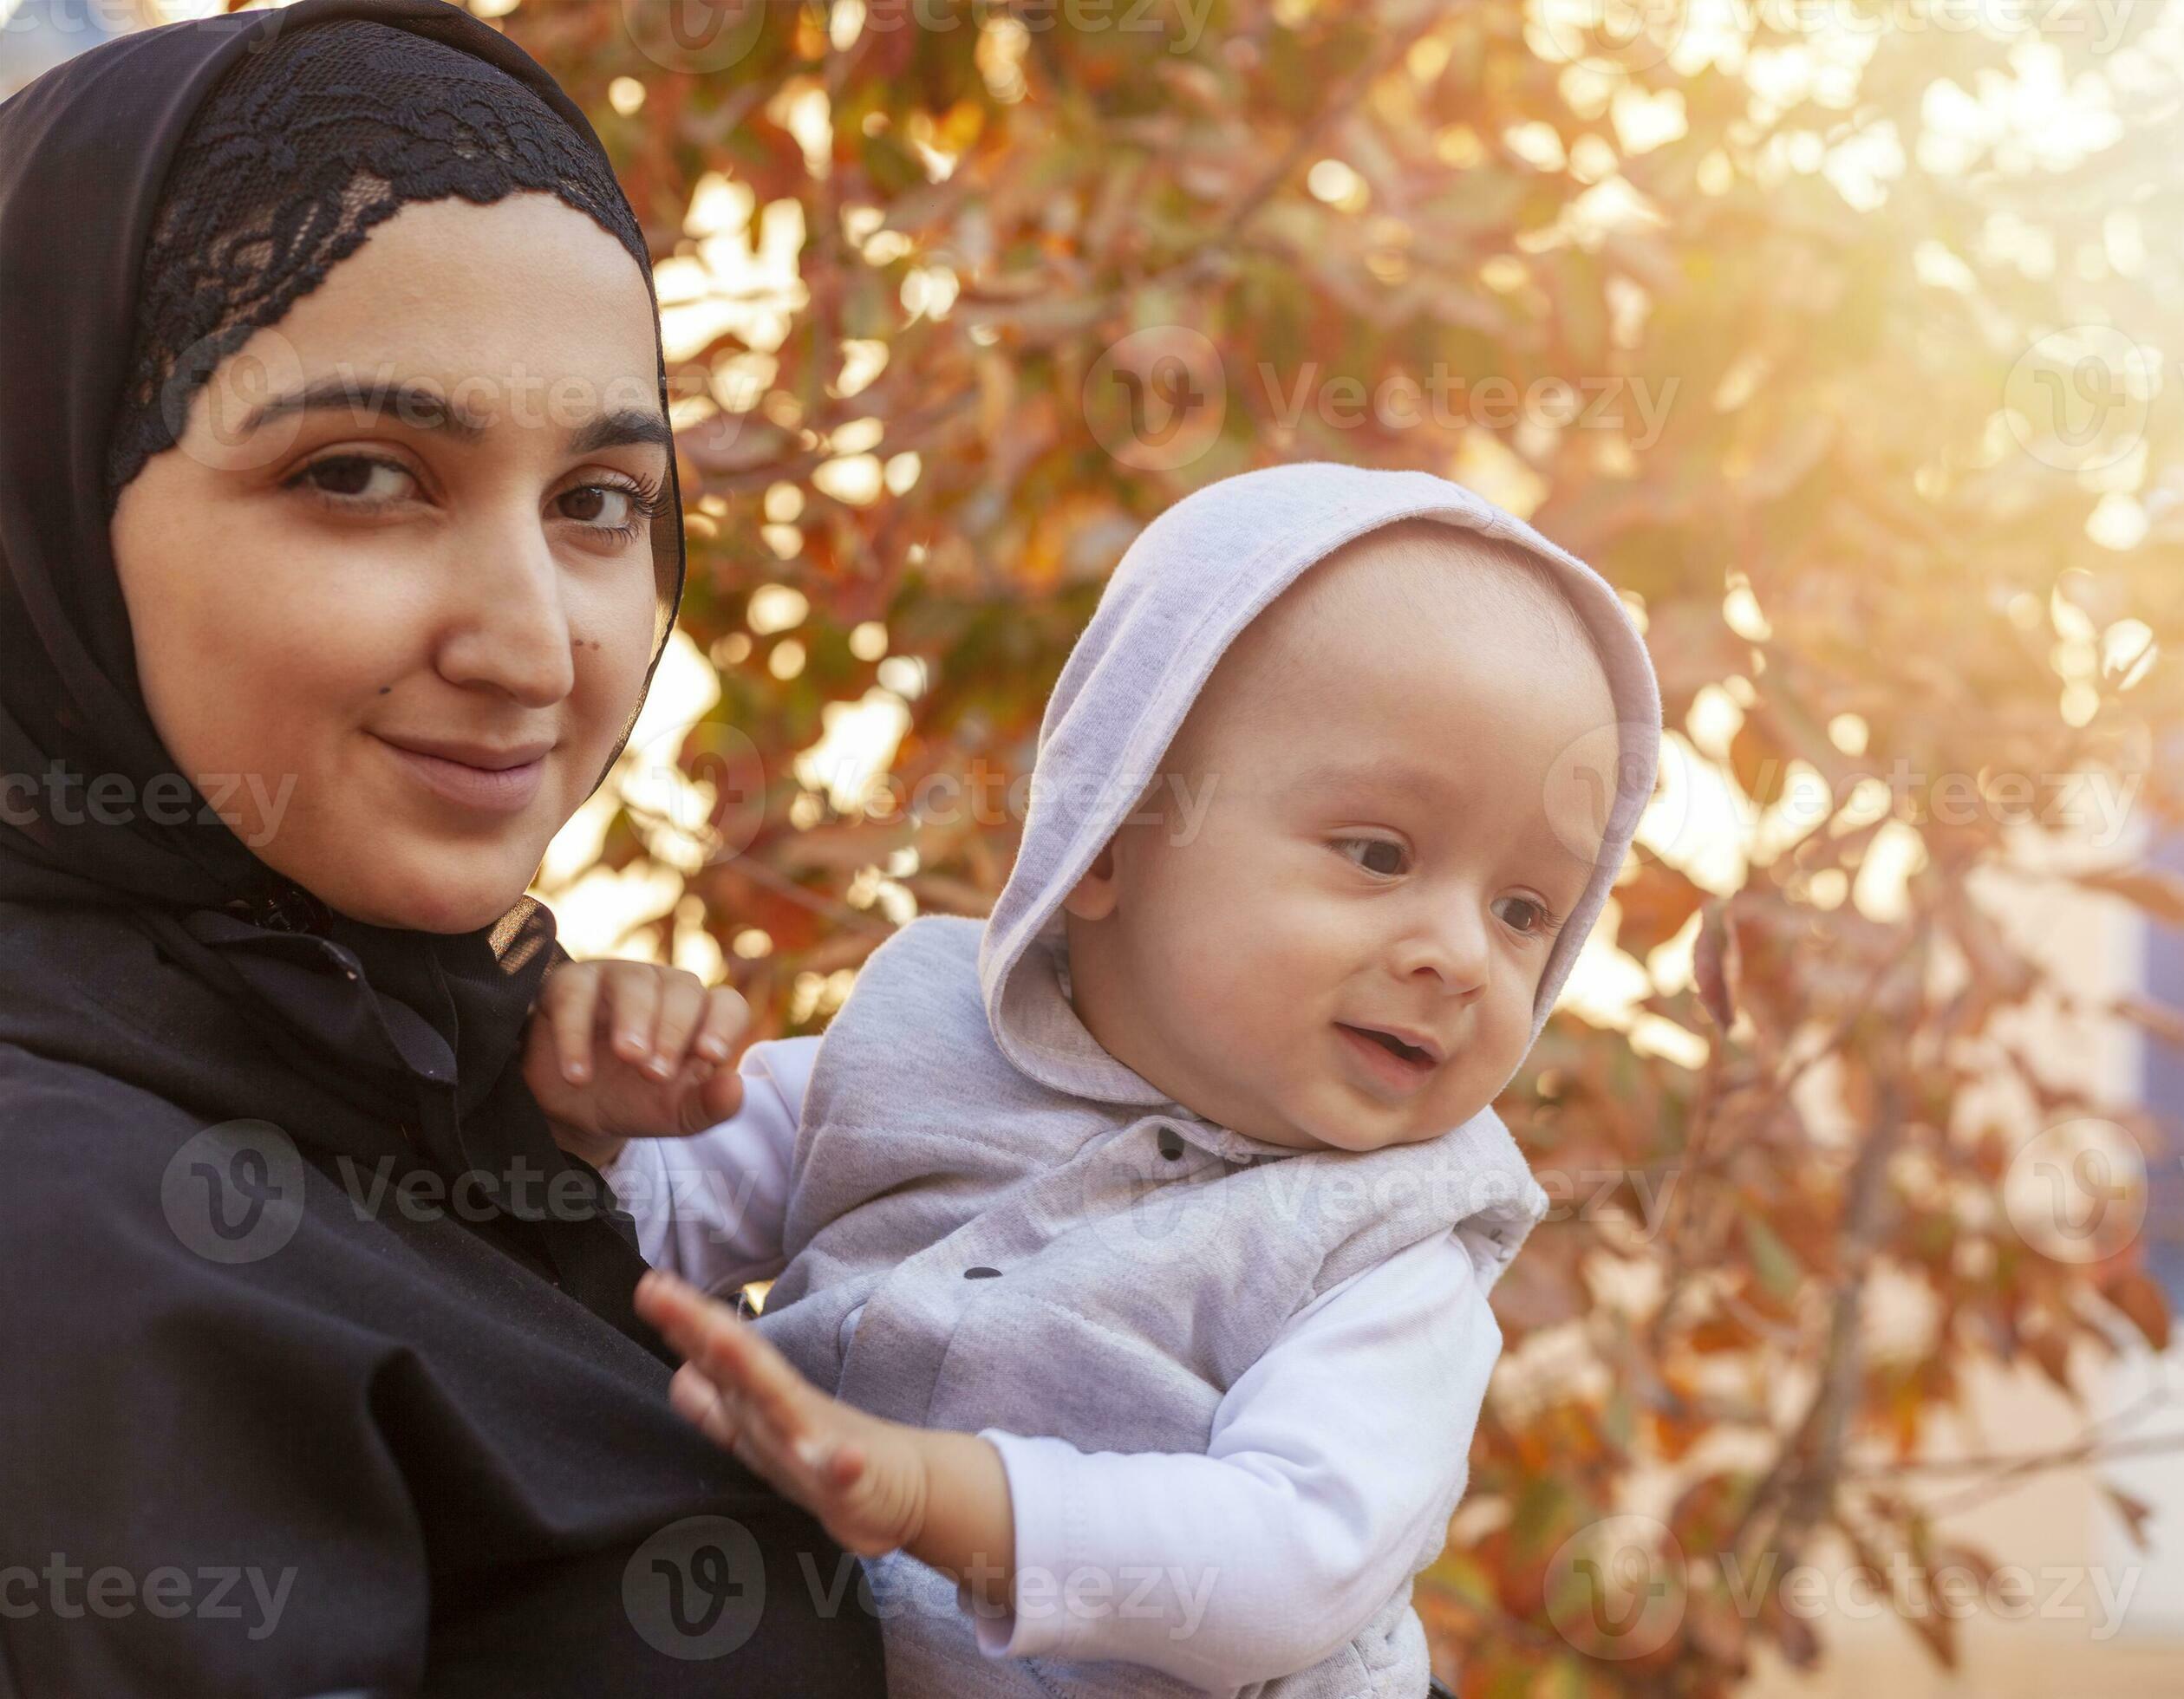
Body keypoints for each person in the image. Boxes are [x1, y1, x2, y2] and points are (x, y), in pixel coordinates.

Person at [0, 2, 887, 1691]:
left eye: (600, 501)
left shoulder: (448, 1080)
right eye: (359, 472)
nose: (536, 644)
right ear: (40, 495)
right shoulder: (74, 1231)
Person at [531, 465, 1666, 1696]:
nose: (1457, 956)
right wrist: (610, 1115)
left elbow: (1290, 1564)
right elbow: (634, 1250)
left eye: (1523, 910)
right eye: (1378, 853)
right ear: (1112, 836)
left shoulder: (1390, 1247)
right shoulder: (922, 1035)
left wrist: (936, 1494)